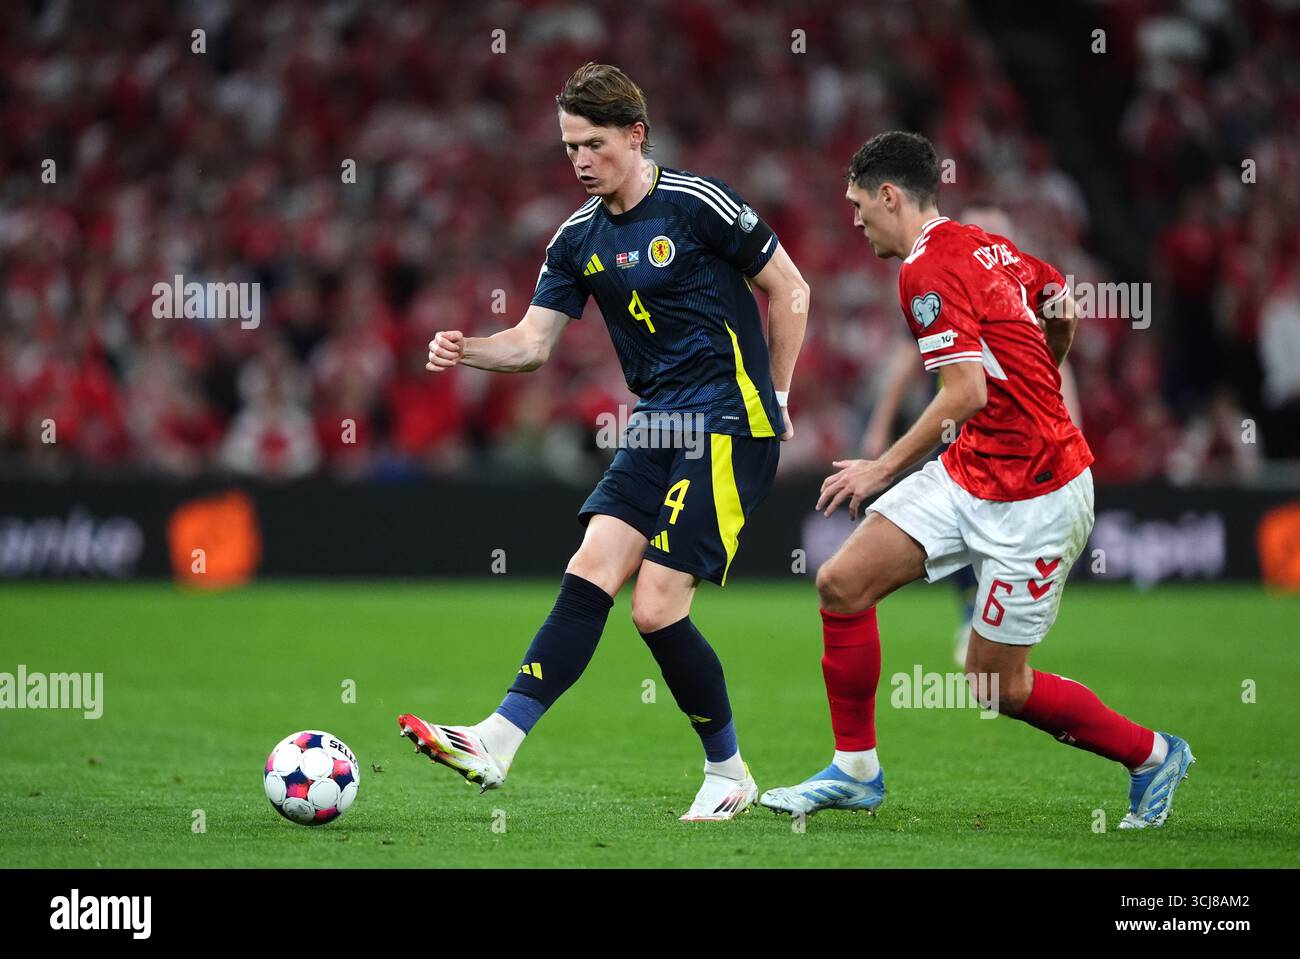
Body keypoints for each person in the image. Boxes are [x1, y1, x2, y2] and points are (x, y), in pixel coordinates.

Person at [399, 63, 809, 821]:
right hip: (656, 420)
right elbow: (530, 344)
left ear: (635, 135)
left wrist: (778, 394)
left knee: (654, 607)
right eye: (567, 148)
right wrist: (467, 348)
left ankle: (728, 771)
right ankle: (496, 739)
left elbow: (790, 288)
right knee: (590, 567)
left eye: (592, 144)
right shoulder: (576, 237)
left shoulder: (697, 203)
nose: (580, 161)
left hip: (727, 416)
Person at [760, 132, 1192, 829]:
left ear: (890, 196)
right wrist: (1046, 368)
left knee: (997, 685)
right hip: (972, 470)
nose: (854, 217)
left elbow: (964, 393)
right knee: (841, 583)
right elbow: (1059, 298)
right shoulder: (984, 243)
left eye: (858, 203)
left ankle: (1152, 754)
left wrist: (881, 466)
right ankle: (856, 769)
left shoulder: (924, 272)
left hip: (1042, 493)